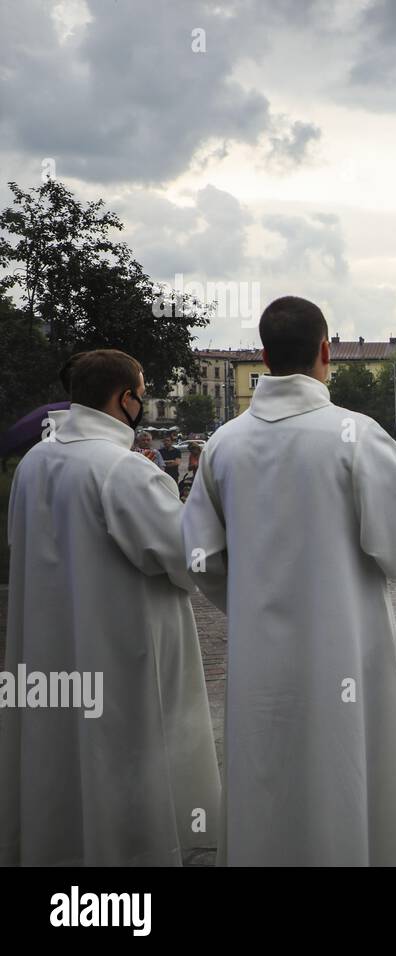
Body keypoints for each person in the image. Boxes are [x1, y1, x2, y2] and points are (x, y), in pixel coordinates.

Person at [181, 296, 396, 866]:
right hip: (349, 646)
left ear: (264, 357)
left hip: (260, 661)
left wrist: (250, 603)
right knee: (350, 768)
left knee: (269, 773)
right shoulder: (355, 435)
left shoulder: (224, 443)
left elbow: (201, 556)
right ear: (327, 352)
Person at [1, 349, 220, 866]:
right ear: (125, 399)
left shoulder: (35, 461)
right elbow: (184, 558)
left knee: (60, 760)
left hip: (50, 652)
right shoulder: (124, 471)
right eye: (141, 393)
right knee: (123, 766)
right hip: (121, 654)